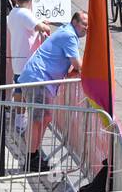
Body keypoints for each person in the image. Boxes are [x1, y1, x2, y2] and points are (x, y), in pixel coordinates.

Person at [17, 11, 88, 171]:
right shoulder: (69, 35)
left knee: (45, 118)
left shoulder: (67, 32)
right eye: (84, 24)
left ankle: (33, 155)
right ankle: (31, 159)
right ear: (75, 22)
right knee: (38, 120)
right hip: (39, 79)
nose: (87, 28)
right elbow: (78, 64)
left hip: (41, 80)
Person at [3, 0, 52, 80]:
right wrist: (45, 26)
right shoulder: (25, 13)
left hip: (18, 58)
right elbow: (42, 28)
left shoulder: (13, 12)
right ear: (30, 0)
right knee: (27, 91)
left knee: (18, 89)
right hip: (27, 60)